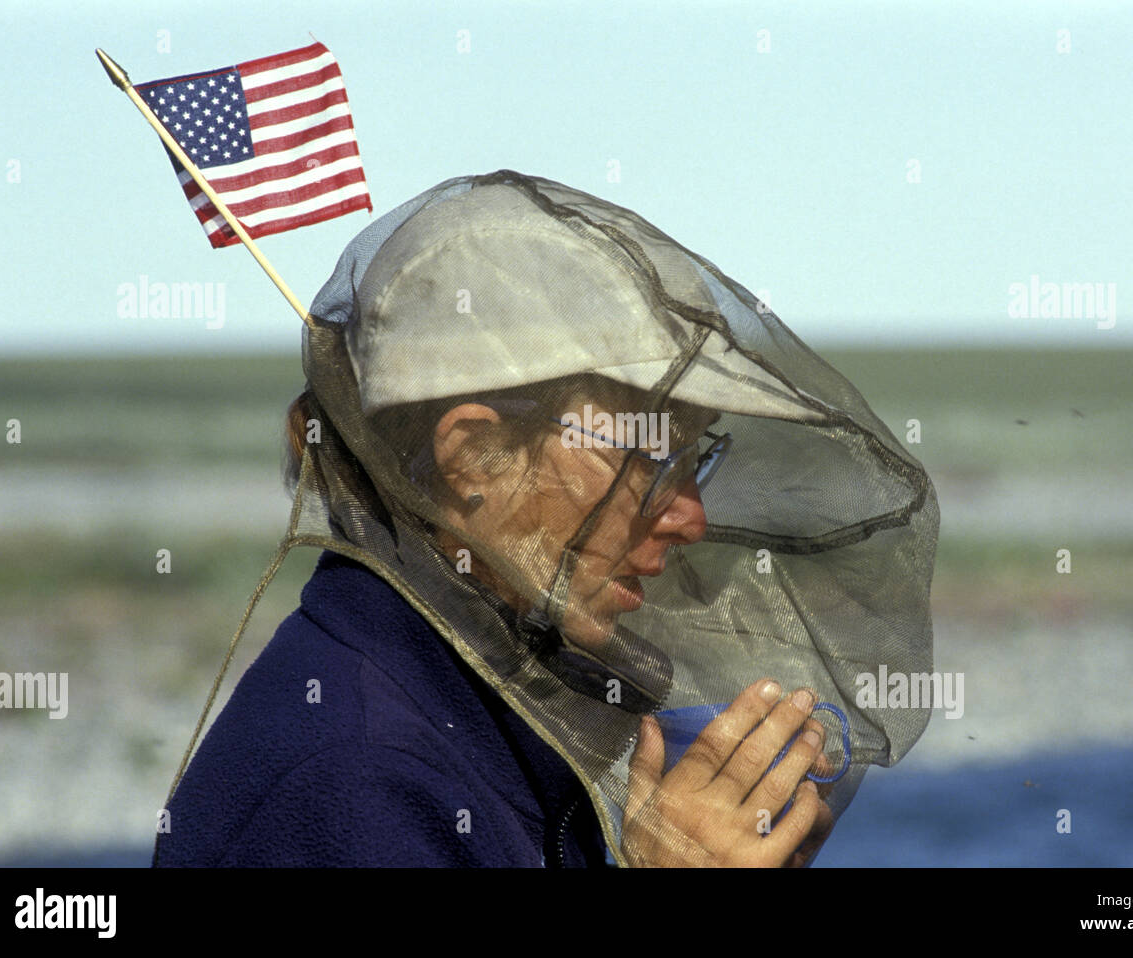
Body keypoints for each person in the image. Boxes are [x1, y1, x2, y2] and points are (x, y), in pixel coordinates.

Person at [154, 170, 939, 867]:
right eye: (646, 458)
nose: (689, 519)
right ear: (472, 457)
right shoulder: (360, 781)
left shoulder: (481, 692)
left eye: (695, 459)